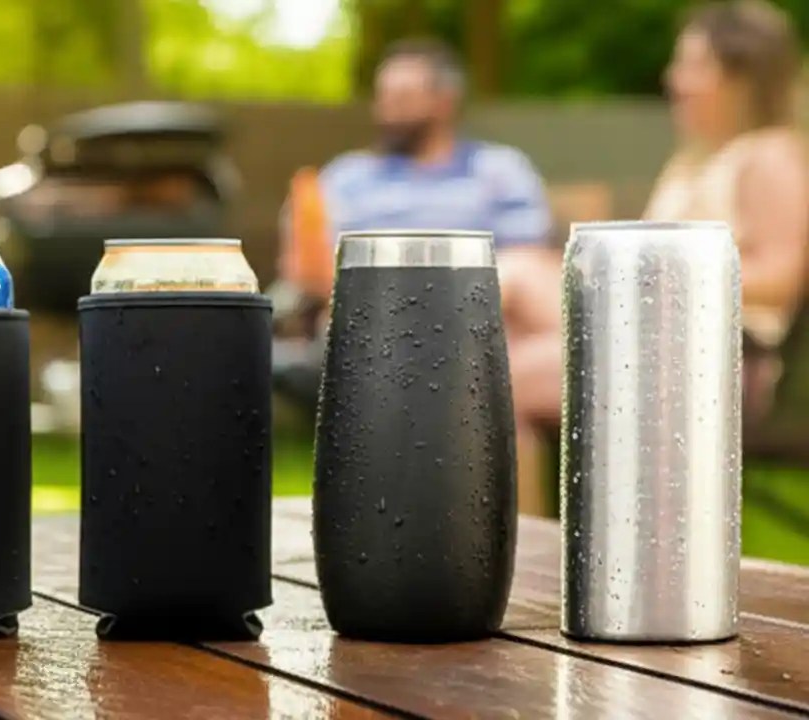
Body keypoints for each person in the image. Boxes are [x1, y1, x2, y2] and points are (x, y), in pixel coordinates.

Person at [504, 0, 809, 515]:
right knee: (511, 286)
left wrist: (662, 271)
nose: (674, 79)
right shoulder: (694, 161)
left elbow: (783, 277)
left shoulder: (769, 156)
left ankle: (526, 553)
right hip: (652, 332)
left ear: (741, 76)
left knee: (497, 372)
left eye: (692, 64)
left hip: (716, 358)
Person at [271, 38, 553, 411]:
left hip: (487, 325)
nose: (387, 110)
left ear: (445, 102)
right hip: (377, 317)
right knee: (509, 356)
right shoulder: (348, 178)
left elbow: (529, 256)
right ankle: (608, 356)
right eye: (383, 97)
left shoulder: (498, 171)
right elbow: (310, 273)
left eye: (402, 97)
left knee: (510, 373)